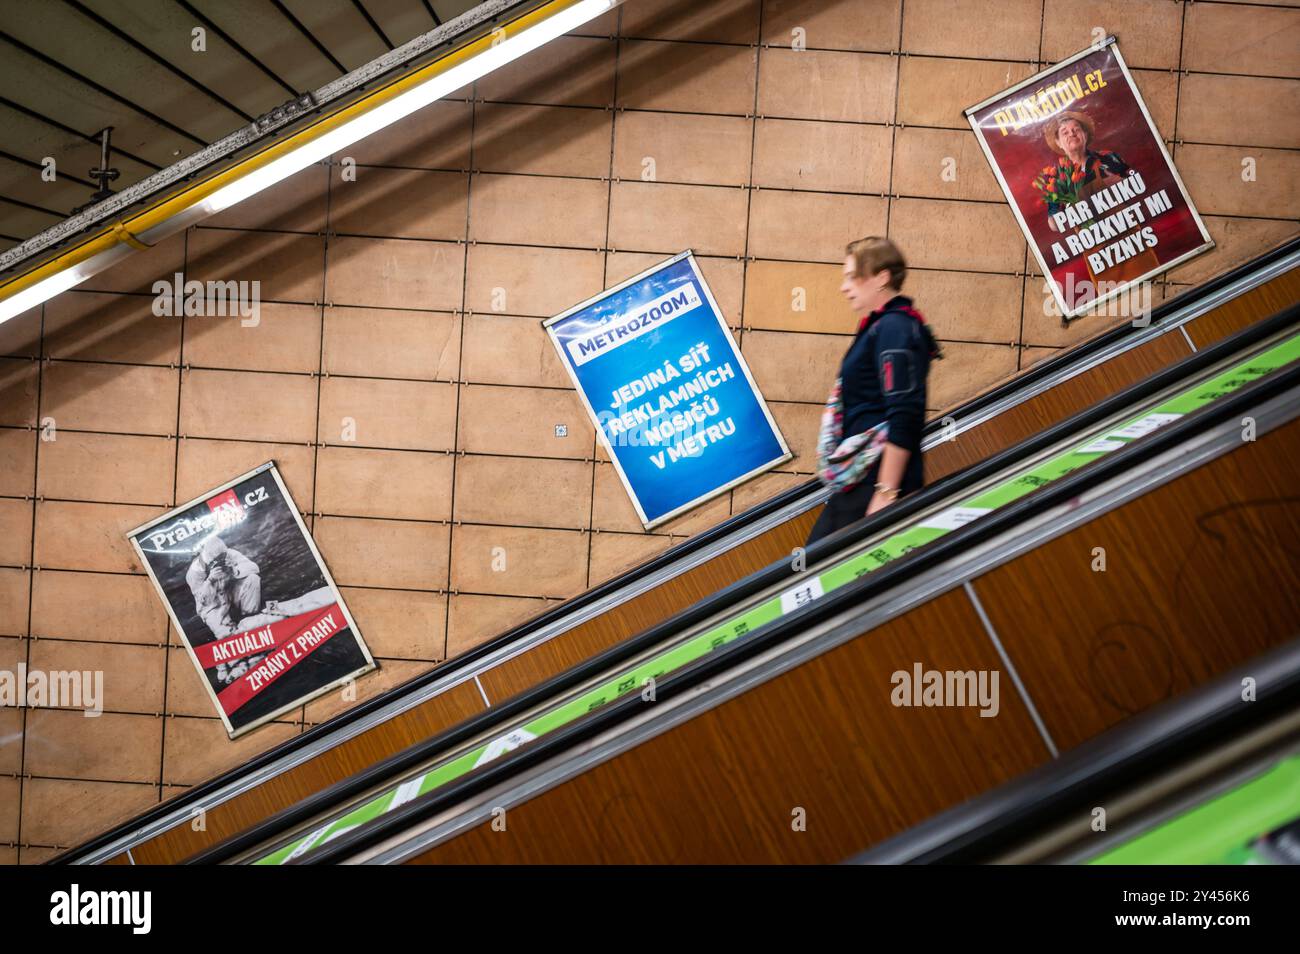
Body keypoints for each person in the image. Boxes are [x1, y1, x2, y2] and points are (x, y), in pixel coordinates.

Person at [805, 237, 940, 547]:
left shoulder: (895, 328)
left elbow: (906, 412)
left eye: (852, 276)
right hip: (861, 478)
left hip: (874, 483)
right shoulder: (880, 326)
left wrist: (886, 493)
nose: (844, 286)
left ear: (881, 278)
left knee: (822, 577)